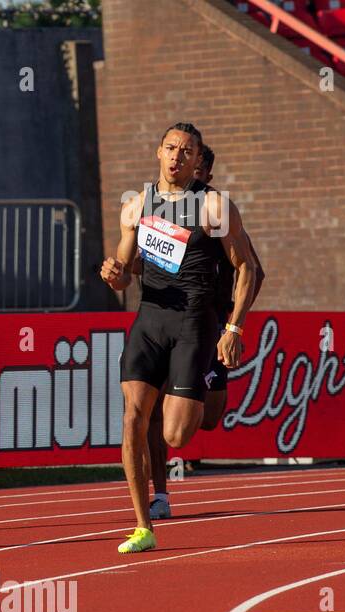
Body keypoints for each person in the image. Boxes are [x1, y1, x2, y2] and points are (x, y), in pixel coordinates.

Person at [101, 123, 260, 554]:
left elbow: (246, 267)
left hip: (194, 323)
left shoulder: (214, 206)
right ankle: (143, 525)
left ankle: (191, 388)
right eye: (171, 148)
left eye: (186, 152)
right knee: (133, 417)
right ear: (158, 152)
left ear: (197, 162)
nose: (177, 157)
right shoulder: (135, 207)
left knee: (175, 435)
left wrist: (234, 327)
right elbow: (124, 264)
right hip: (149, 319)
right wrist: (114, 273)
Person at [145, 144, 266, 519]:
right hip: (166, 322)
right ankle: (160, 494)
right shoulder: (159, 207)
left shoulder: (215, 212)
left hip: (209, 325)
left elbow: (254, 271)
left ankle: (180, 403)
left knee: (209, 418)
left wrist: (233, 324)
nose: (185, 175)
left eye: (196, 172)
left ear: (206, 175)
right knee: (150, 409)